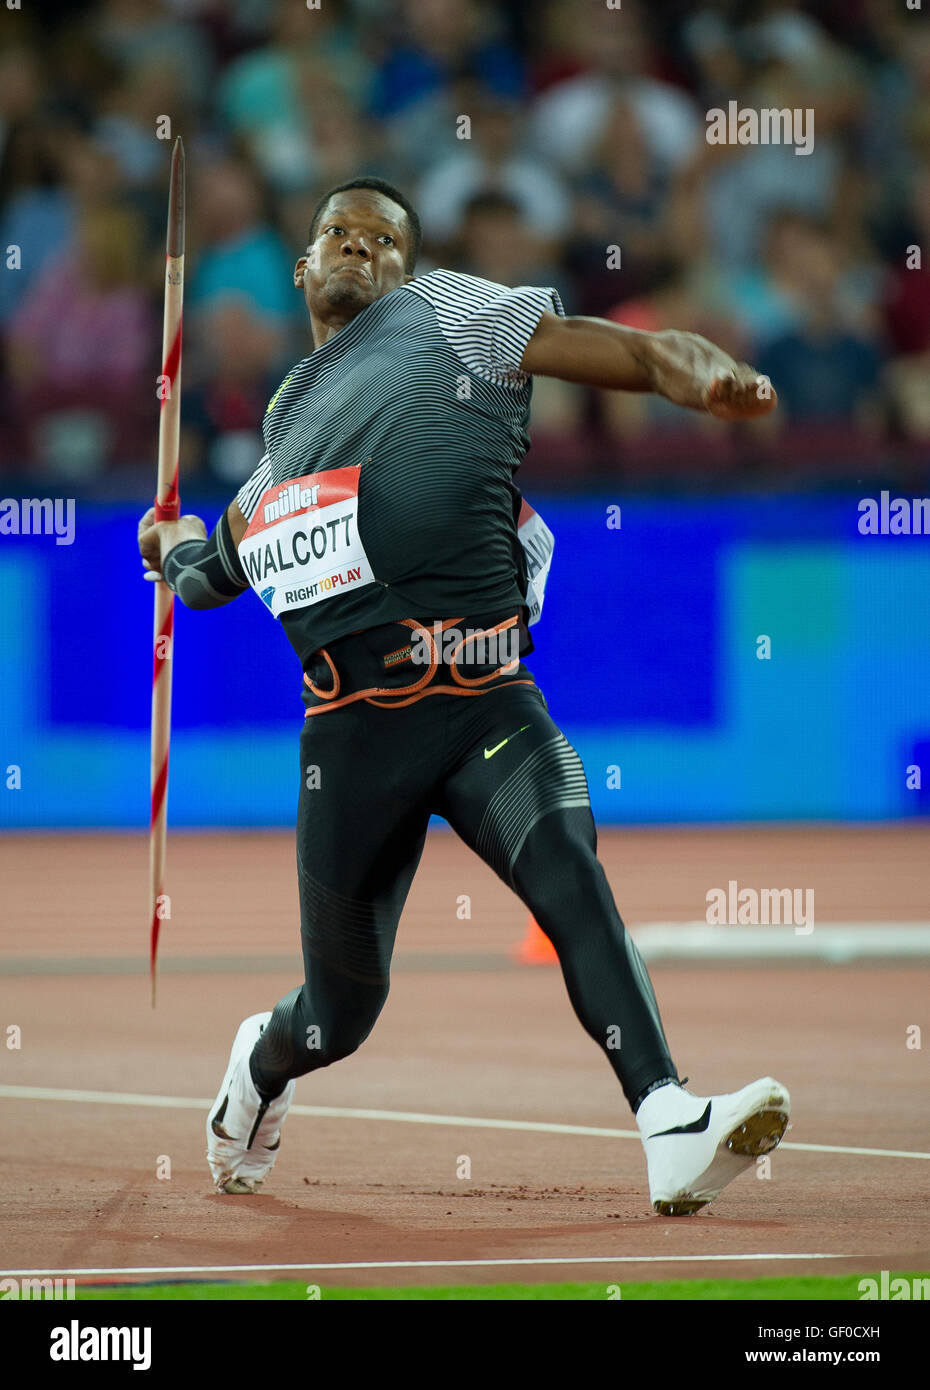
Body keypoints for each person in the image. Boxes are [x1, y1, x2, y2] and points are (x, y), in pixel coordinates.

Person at [138, 176, 789, 1217]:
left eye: (380, 238)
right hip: (351, 744)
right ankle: (261, 1062)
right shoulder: (274, 461)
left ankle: (667, 1117)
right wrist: (165, 544)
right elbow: (208, 574)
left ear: (406, 264)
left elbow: (626, 348)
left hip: (490, 702)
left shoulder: (456, 314)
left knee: (569, 868)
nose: (356, 247)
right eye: (335, 235)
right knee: (341, 1016)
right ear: (303, 269)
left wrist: (705, 375)